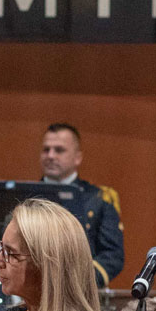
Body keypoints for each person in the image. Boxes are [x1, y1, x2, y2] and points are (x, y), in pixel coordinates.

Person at [38, 122, 125, 285]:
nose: (50, 156)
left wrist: (77, 282)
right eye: (46, 149)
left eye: (59, 150)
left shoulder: (100, 198)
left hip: (81, 292)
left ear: (77, 157)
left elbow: (112, 256)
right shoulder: (26, 197)